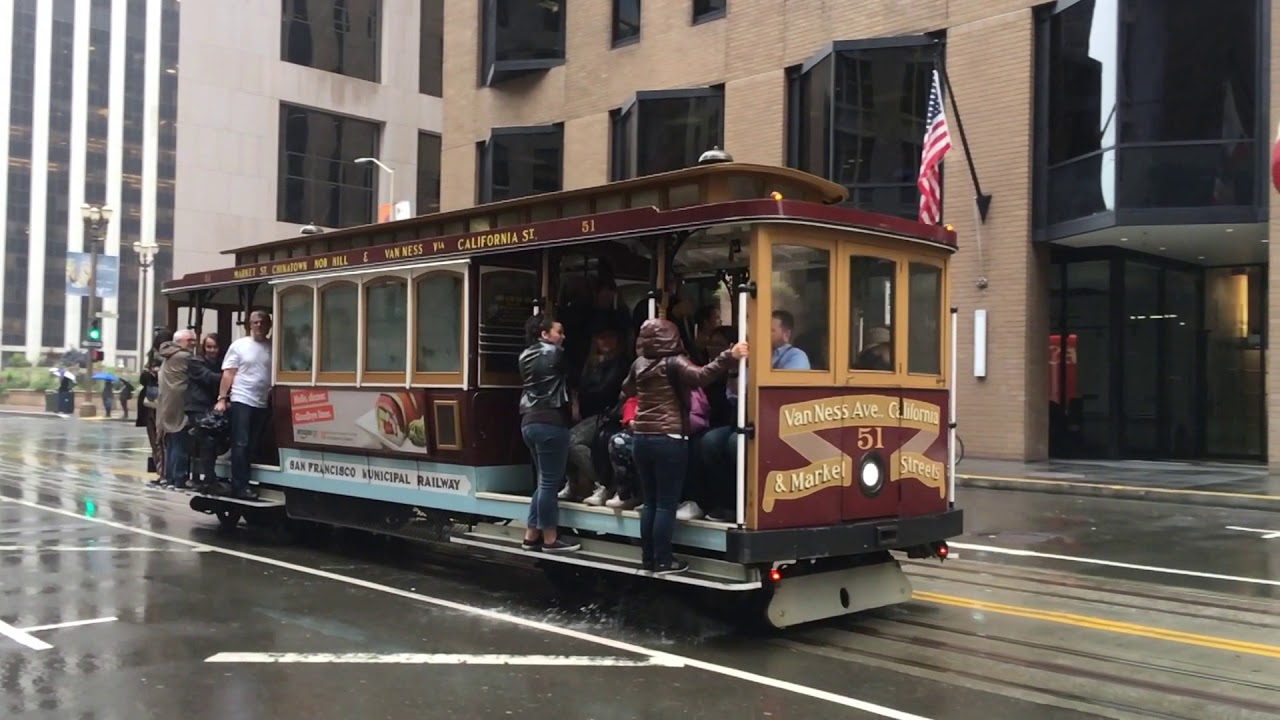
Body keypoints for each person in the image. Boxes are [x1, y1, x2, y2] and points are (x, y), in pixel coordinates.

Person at [620, 318, 748, 575]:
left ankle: (648, 559)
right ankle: (665, 560)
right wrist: (728, 356)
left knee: (651, 502)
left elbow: (627, 388)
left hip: (642, 438)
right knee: (667, 504)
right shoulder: (674, 362)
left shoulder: (639, 363)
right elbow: (701, 377)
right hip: (669, 439)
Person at [517, 313, 580, 554]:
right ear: (544, 334)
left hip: (529, 421)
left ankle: (531, 534)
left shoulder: (523, 356)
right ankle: (551, 538)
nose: (562, 337)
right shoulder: (555, 353)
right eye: (559, 332)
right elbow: (573, 378)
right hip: (551, 422)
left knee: (543, 480)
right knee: (550, 483)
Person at [214, 311, 273, 501]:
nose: (258, 325)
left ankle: (247, 479)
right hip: (242, 398)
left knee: (253, 444)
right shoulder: (239, 345)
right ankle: (240, 486)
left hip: (262, 400)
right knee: (241, 442)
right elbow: (228, 373)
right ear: (249, 325)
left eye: (262, 322)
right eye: (254, 322)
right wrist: (222, 398)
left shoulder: (272, 346)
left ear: (268, 325)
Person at [156, 329, 197, 489]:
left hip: (167, 406)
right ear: (179, 342)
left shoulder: (168, 356)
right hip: (179, 406)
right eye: (190, 340)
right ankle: (179, 478)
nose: (193, 343)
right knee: (180, 442)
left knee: (173, 442)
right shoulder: (184, 357)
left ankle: (171, 478)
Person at [187, 333, 224, 490]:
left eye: (215, 347)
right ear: (203, 348)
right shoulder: (196, 362)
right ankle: (208, 478)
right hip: (197, 407)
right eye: (209, 347)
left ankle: (207, 476)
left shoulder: (220, 363)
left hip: (211, 406)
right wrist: (230, 377)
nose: (212, 350)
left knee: (215, 440)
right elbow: (208, 377)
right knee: (207, 442)